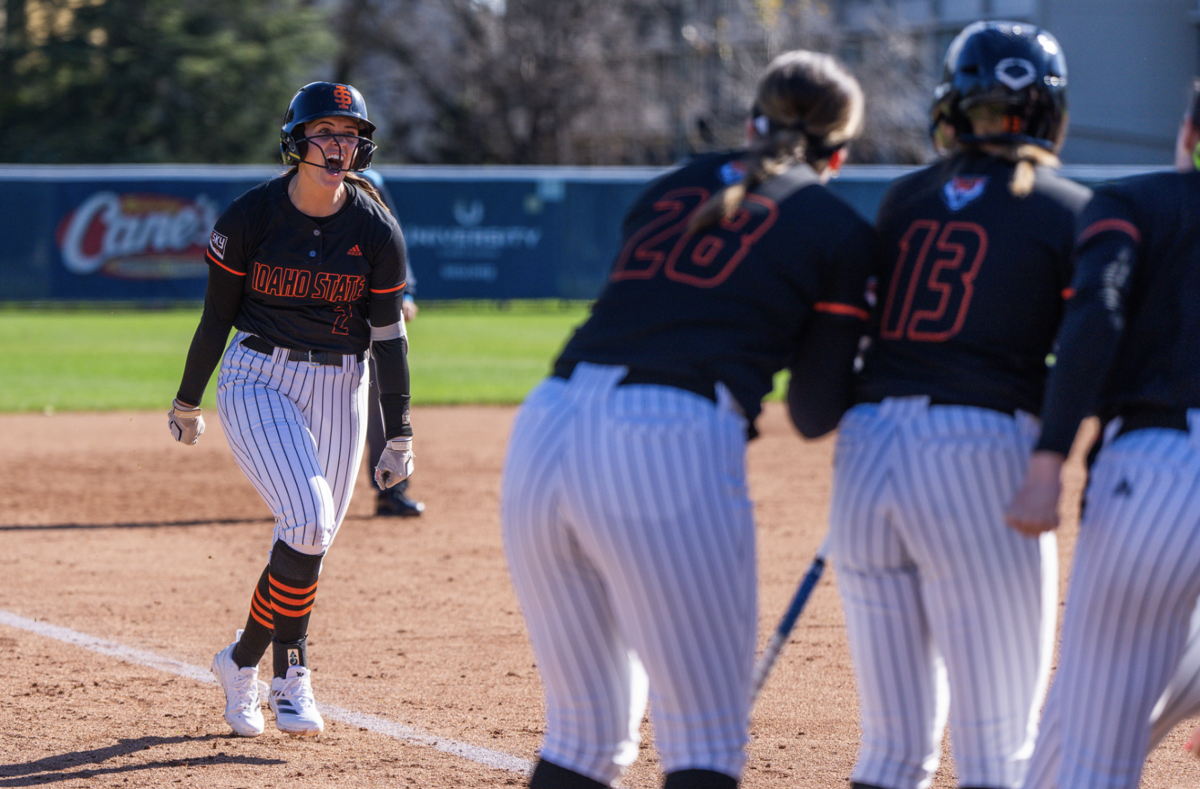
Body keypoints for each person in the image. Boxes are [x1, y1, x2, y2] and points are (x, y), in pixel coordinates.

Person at [500, 49, 873, 789]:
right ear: (840, 153)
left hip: (546, 423)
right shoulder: (836, 225)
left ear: (750, 122)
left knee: (583, 736)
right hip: (667, 438)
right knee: (704, 744)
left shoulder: (671, 186)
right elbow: (812, 411)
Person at [826, 21, 1091, 789]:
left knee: (894, 747)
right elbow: (1088, 345)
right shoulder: (1067, 204)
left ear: (952, 105)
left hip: (871, 446)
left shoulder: (904, 199)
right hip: (982, 448)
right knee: (1000, 749)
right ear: (1050, 112)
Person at [167, 81, 415, 737]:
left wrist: (402, 434)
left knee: (311, 538)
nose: (339, 146)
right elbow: (217, 315)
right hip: (258, 374)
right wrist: (188, 398)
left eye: (350, 134)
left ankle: (243, 663)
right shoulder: (249, 217)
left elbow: (389, 338)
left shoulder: (374, 228)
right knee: (307, 519)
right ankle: (291, 675)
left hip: (342, 383)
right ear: (298, 141)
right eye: (326, 132)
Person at [1005, 75, 1200, 789]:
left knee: (1091, 751)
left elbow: (1097, 314)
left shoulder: (1134, 200)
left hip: (1160, 473)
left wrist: (1049, 456)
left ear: (1188, 135)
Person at [361, 167, 425, 518]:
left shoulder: (372, 182)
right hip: (320, 316)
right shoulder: (302, 183)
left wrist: (408, 291)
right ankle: (301, 493)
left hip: (374, 313)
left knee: (383, 400)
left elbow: (393, 237)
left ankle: (391, 489)